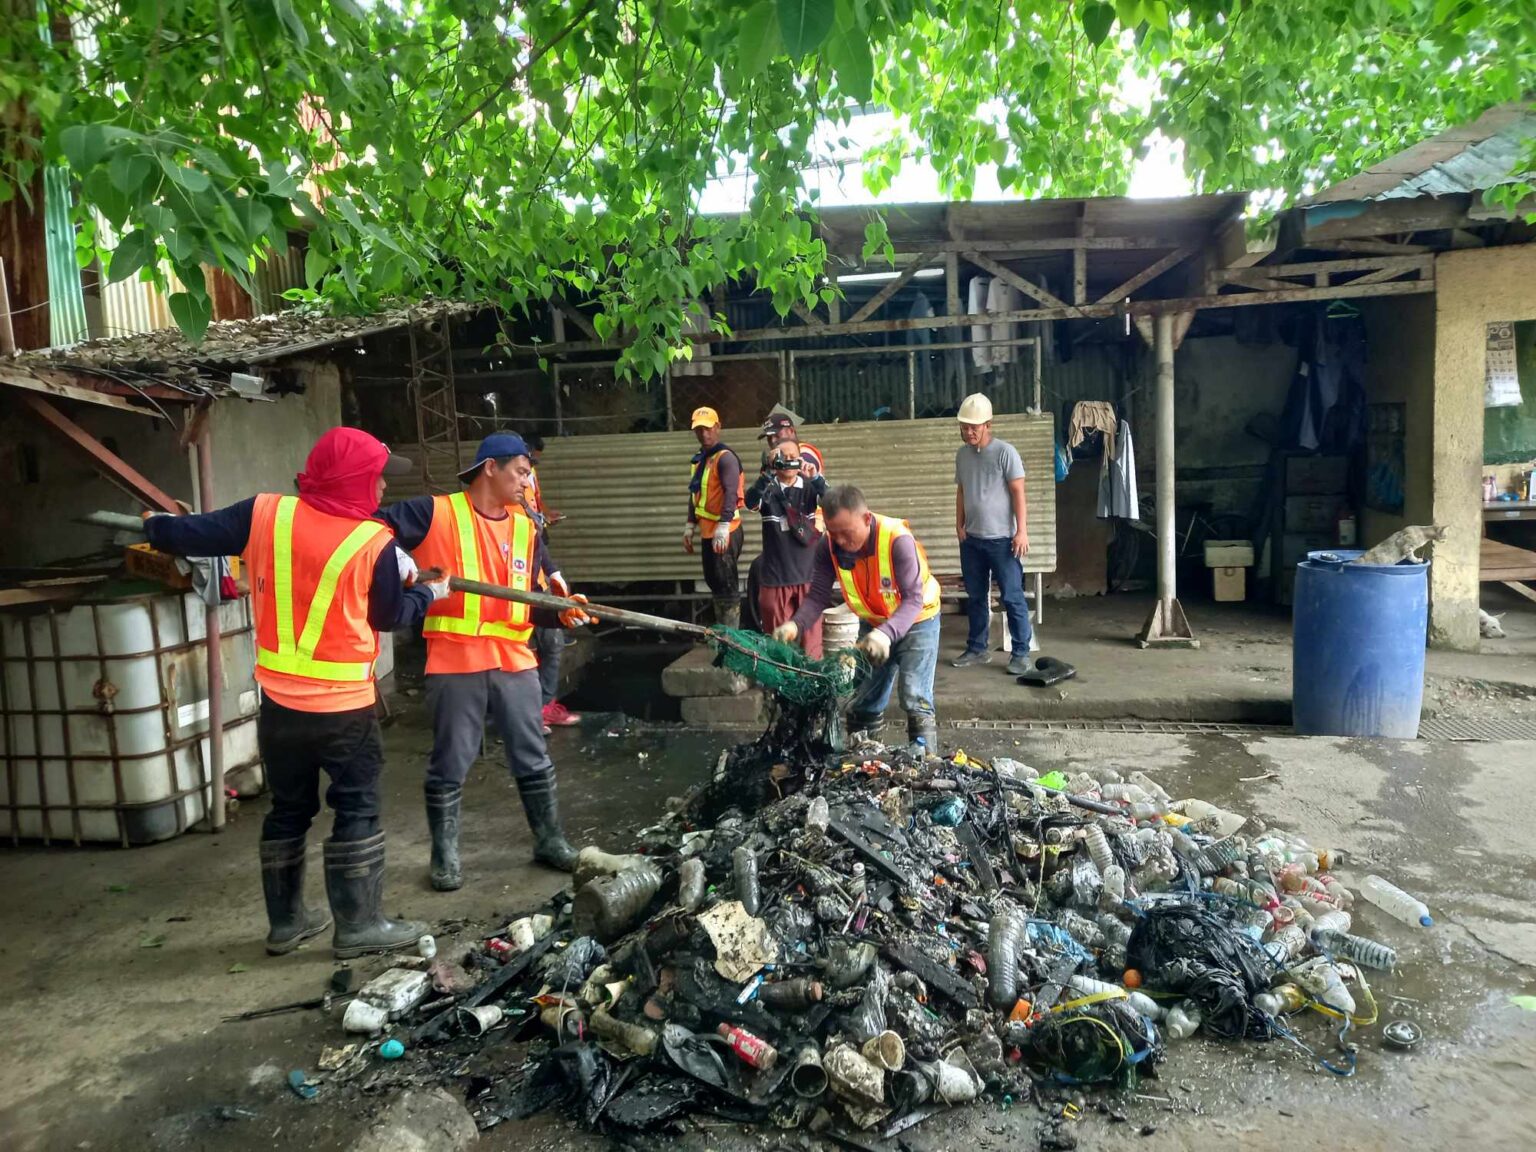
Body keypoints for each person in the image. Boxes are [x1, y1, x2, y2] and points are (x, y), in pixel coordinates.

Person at [143, 428, 435, 959]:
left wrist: (156, 527)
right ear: (356, 480)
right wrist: (429, 594)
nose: (379, 490)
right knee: (356, 807)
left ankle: (287, 925)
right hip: (345, 710)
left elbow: (187, 534)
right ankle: (359, 925)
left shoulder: (265, 515)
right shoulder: (374, 543)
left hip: (279, 707)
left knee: (288, 808)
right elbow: (391, 617)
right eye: (374, 478)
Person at [378, 433, 595, 888]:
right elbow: (370, 528)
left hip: (515, 659)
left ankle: (549, 839)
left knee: (532, 755)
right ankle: (445, 856)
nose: (526, 480)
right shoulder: (434, 511)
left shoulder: (525, 527)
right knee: (451, 761)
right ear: (490, 468)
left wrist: (562, 613)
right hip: (455, 660)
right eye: (520, 470)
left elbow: (525, 602)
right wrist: (399, 562)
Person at [772, 485, 943, 752]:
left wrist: (886, 634)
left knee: (914, 696)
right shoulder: (828, 546)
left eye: (846, 533)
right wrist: (796, 624)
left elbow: (913, 599)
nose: (840, 541)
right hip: (874, 624)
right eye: (834, 532)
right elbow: (817, 596)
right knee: (864, 699)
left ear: (865, 519)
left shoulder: (897, 540)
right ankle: (862, 762)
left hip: (918, 621)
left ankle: (925, 763)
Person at [951, 392, 1036, 675]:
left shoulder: (1005, 452)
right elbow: (962, 490)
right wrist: (959, 524)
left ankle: (1021, 653)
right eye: (965, 426)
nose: (969, 431)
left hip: (1003, 540)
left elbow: (1018, 493)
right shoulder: (962, 455)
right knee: (976, 596)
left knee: (1012, 596)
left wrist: (1021, 531)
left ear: (989, 424)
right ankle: (977, 648)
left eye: (974, 427)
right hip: (972, 540)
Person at [520, 432, 581, 733]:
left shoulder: (530, 477)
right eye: (528, 461)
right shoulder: (504, 499)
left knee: (551, 643)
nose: (528, 469)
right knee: (531, 648)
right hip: (520, 584)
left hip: (538, 579)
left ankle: (542, 708)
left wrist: (552, 571)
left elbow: (534, 525)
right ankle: (532, 712)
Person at [745, 438, 827, 657]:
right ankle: (780, 689)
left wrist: (817, 478)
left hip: (809, 578)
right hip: (775, 579)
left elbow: (833, 502)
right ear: (774, 459)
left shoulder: (810, 488)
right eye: (783, 458)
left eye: (794, 458)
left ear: (801, 459)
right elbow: (749, 501)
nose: (789, 462)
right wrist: (767, 474)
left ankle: (812, 687)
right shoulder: (767, 489)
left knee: (812, 646)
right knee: (779, 645)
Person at [683, 407, 744, 627]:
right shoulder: (700, 460)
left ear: (717, 427)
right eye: (699, 430)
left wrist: (724, 525)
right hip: (708, 531)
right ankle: (725, 635)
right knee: (714, 581)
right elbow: (695, 493)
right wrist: (690, 525)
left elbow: (731, 492)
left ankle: (732, 639)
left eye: (708, 429)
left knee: (727, 585)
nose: (704, 434)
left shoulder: (725, 458)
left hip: (725, 531)